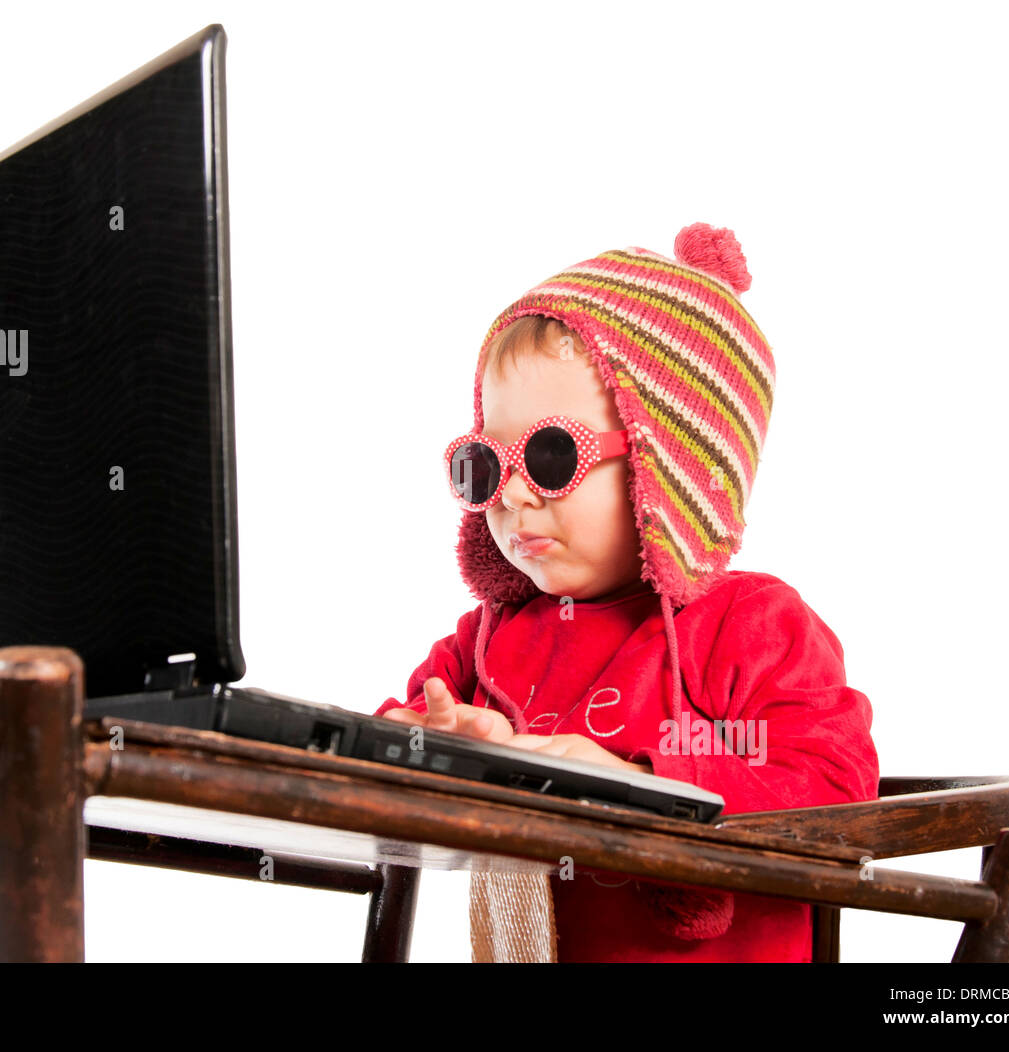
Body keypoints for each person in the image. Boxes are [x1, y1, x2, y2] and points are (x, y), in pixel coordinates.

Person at [374, 223, 879, 962]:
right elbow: (375, 748)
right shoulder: (487, 641)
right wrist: (431, 741)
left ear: (668, 466)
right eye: (487, 461)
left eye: (551, 455)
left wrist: (641, 785)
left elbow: (836, 792)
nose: (509, 495)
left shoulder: (751, 625)